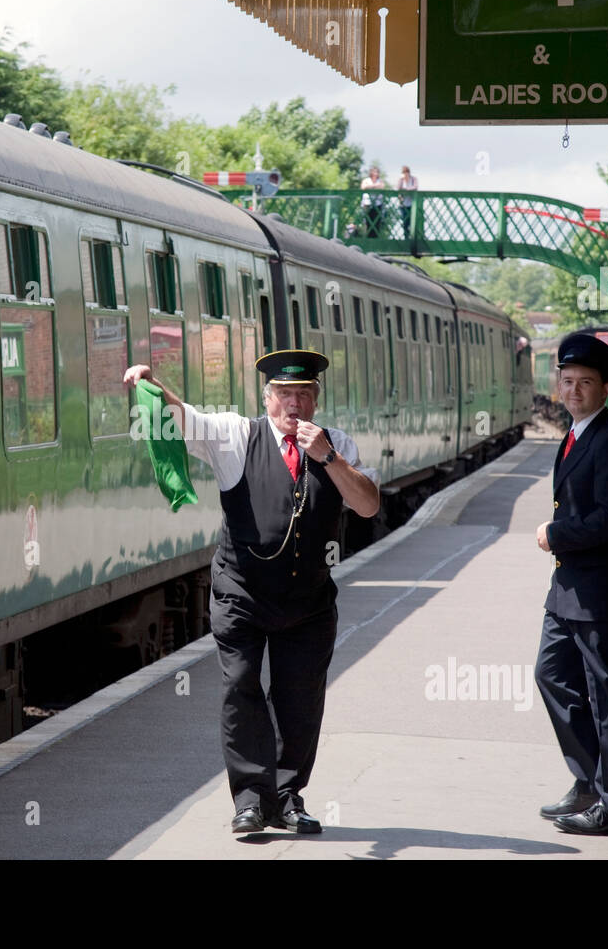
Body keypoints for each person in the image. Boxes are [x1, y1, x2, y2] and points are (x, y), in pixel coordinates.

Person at [123, 351, 380, 835]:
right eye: (285, 395)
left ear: (316, 398)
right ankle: (249, 799)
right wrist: (155, 388)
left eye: (304, 394)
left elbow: (367, 506)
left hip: (308, 602)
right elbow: (187, 421)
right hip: (242, 594)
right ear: (267, 398)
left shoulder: (338, 444)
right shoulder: (237, 435)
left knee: (300, 699)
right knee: (241, 687)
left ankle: (287, 797)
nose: (295, 404)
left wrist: (327, 457)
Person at [534, 332, 608, 837]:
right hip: (570, 589)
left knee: (607, 695)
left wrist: (555, 533)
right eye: (568, 381)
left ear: (606, 390)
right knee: (552, 675)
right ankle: (587, 782)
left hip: (600, 591)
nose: (574, 390)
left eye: (585, 383)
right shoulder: (576, 433)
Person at [359, 166, 386, 238]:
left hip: (378, 203)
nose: (375, 173)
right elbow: (363, 187)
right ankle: (367, 238)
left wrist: (370, 186)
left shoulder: (380, 181)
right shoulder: (366, 180)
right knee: (367, 222)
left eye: (377, 172)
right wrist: (375, 186)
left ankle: (375, 239)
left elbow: (382, 187)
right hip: (367, 203)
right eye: (374, 171)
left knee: (377, 222)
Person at [397, 165, 418, 239]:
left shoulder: (413, 179)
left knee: (412, 221)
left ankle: (412, 237)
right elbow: (398, 188)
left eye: (406, 172)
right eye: (404, 172)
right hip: (403, 204)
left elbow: (415, 187)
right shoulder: (401, 180)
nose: (405, 174)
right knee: (404, 221)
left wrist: (407, 189)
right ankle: (406, 237)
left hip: (412, 204)